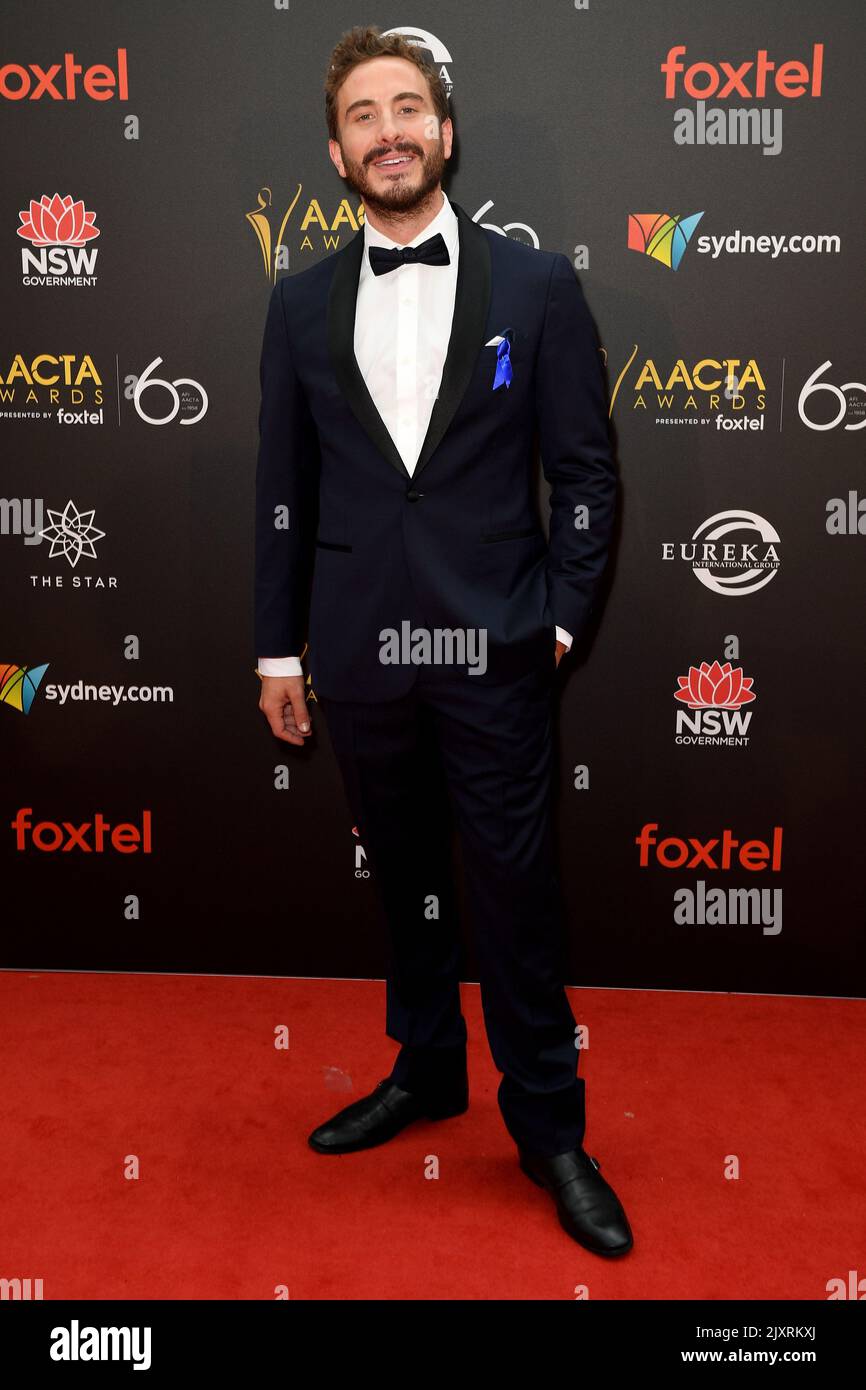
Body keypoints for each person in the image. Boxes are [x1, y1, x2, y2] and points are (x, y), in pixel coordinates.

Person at [254, 25, 632, 1257]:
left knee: (514, 892)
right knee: (406, 877)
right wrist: (276, 651)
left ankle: (550, 1129)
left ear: (446, 132)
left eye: (407, 107)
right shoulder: (299, 303)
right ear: (335, 149)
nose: (389, 131)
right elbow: (283, 492)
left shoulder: (537, 287)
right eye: (363, 115)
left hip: (496, 648)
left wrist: (559, 621)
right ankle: (423, 1068)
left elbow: (582, 473)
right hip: (360, 650)